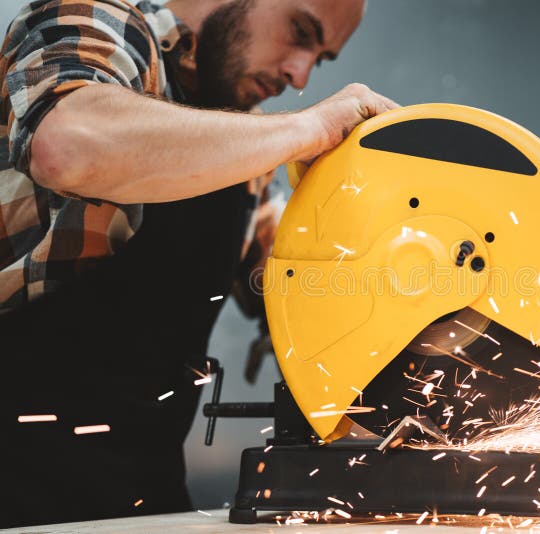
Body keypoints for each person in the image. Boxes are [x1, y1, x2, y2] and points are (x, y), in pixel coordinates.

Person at [0, 0, 396, 527]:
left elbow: (297, 281)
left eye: (319, 59)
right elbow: (69, 145)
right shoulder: (92, 21)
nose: (298, 74)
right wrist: (310, 129)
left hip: (144, 499)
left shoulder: (244, 142)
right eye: (299, 32)